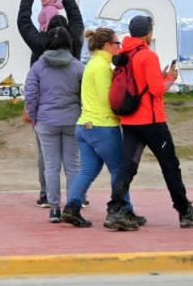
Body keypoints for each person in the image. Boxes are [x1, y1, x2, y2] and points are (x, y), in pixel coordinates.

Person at [105, 14, 193, 230]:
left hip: (129, 119)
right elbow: (156, 90)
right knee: (170, 165)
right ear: (149, 33)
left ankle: (115, 210)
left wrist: (159, 77)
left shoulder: (124, 54)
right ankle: (185, 211)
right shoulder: (147, 56)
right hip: (151, 121)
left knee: (128, 166)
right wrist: (170, 77)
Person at [61, 27, 143, 228]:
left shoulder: (91, 64)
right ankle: (124, 210)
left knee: (87, 170)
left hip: (84, 125)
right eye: (117, 44)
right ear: (107, 45)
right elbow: (110, 99)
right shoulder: (103, 67)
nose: (119, 47)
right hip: (103, 126)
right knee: (119, 170)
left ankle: (72, 206)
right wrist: (125, 114)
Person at [18, 0, 85, 208]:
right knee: (74, 161)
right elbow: (77, 19)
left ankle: (48, 197)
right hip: (73, 115)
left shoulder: (39, 44)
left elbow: (24, 23)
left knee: (48, 160)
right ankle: (77, 198)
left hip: (45, 116)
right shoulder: (75, 47)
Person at [24, 27, 83, 223]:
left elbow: (31, 95)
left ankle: (54, 208)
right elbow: (86, 96)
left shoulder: (38, 67)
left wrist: (34, 118)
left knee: (51, 166)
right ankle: (73, 206)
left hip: (46, 121)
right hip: (73, 120)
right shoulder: (77, 67)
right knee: (73, 166)